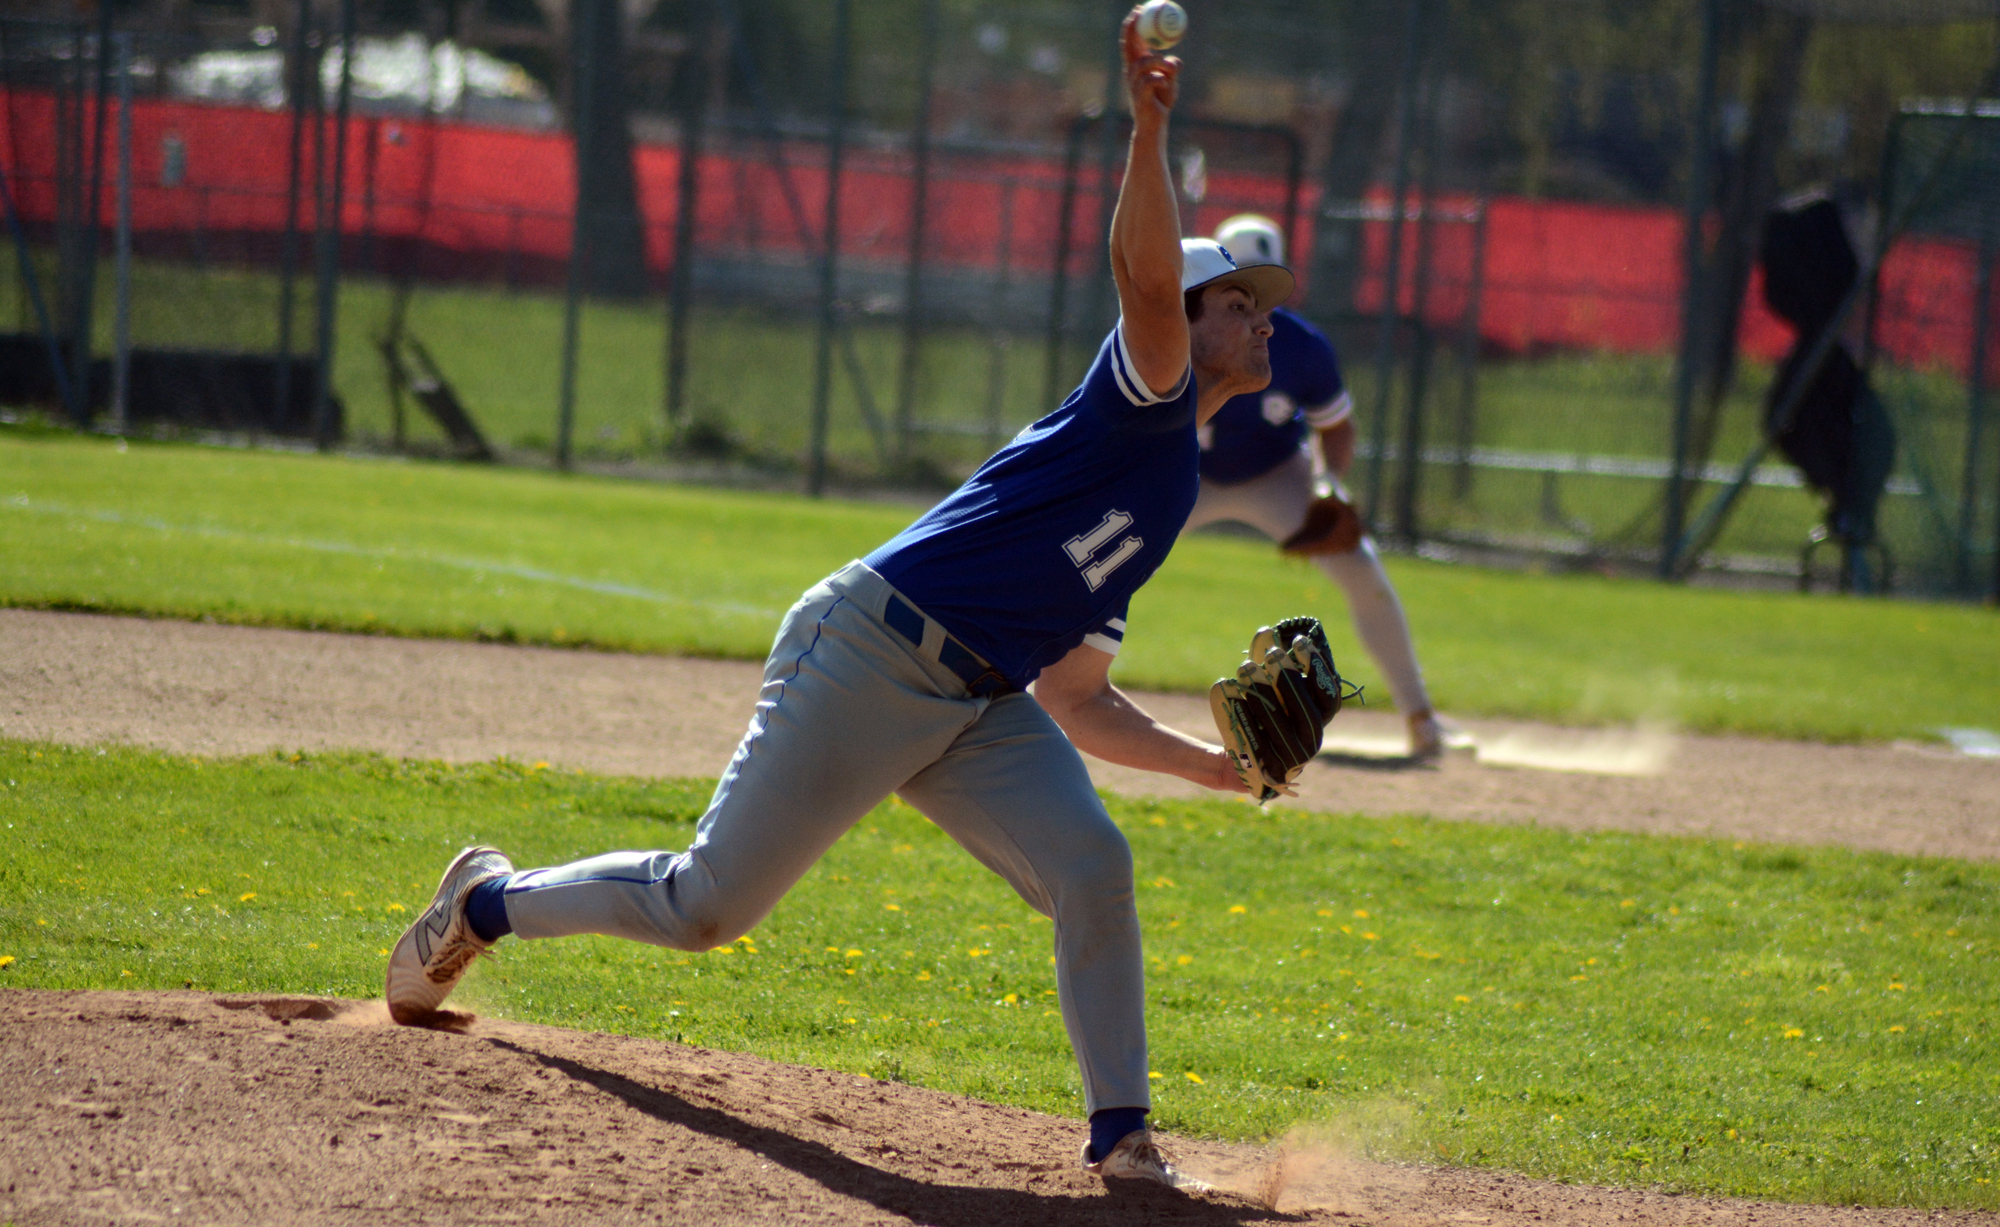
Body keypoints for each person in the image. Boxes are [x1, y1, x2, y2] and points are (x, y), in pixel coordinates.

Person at [384, 10, 1291, 1191]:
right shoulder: (1146, 392)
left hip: (975, 702)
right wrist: (1147, 128)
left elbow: (1078, 699)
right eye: (1237, 300)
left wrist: (1215, 768)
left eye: (1261, 305)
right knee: (704, 910)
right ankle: (486, 904)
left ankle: (1122, 1137)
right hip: (869, 651)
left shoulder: (1169, 489)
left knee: (1093, 866)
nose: (1257, 315)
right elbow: (1145, 274)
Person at [1180, 214, 1449, 760]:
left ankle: (1422, 719)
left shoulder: (1301, 347)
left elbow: (1336, 428)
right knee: (1100, 560)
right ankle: (1047, 691)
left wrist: (1329, 485)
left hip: (1277, 474)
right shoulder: (1179, 339)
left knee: (1362, 570)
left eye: (1262, 281)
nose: (1253, 297)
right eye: (1239, 283)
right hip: (1186, 475)